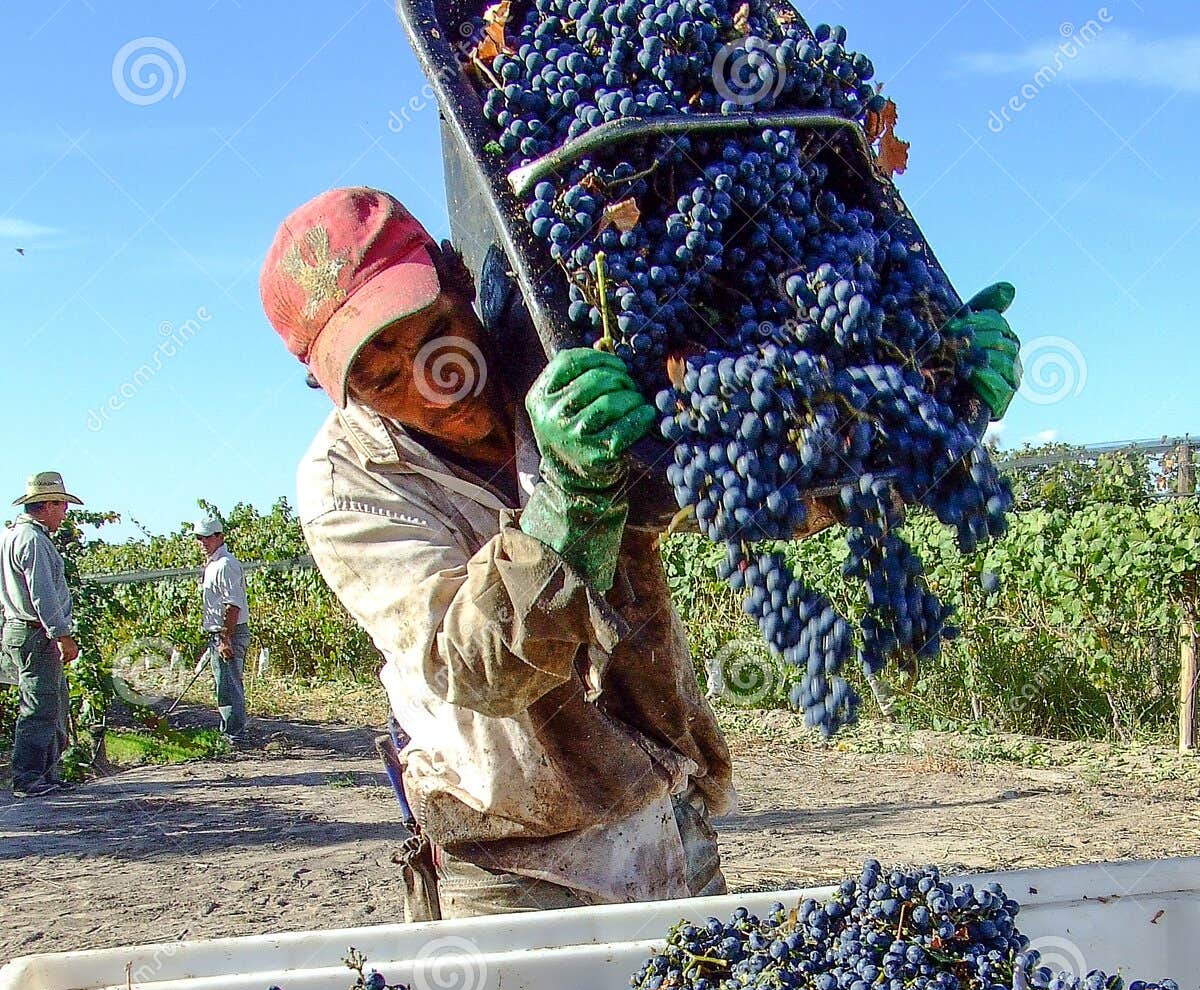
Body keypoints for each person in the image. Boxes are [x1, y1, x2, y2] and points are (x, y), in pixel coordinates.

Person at [260, 187, 1021, 920]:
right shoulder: (346, 485)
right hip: (514, 861)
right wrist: (570, 501)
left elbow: (745, 491)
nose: (430, 383)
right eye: (382, 375)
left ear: (459, 279)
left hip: (670, 821)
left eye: (433, 330)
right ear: (335, 390)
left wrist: (929, 417)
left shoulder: (570, 353)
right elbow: (474, 667)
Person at [1, 471, 81, 797]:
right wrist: (62, 634)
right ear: (46, 504)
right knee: (39, 706)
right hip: (36, 631)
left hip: (22, 629)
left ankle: (46, 775)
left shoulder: (10, 536)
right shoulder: (32, 541)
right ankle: (28, 778)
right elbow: (42, 595)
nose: (64, 513)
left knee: (52, 702)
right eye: (62, 505)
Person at [193, 516, 251, 746]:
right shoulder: (213, 564)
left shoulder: (226, 564)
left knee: (229, 685)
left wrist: (225, 637)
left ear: (220, 537)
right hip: (220, 633)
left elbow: (233, 604)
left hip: (230, 632)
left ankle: (234, 736)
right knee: (224, 684)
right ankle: (230, 732)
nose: (203, 542)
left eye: (208, 537)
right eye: (199, 537)